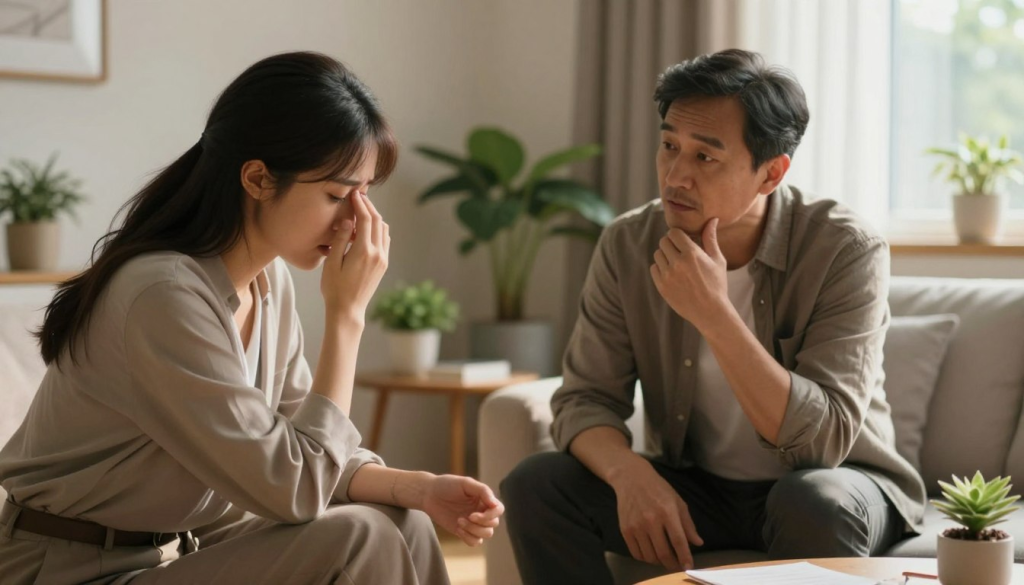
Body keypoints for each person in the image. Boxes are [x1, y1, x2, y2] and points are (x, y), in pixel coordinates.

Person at [0, 52, 503, 585]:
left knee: (404, 522)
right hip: (65, 569)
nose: (357, 221)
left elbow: (309, 448)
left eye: (364, 195)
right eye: (336, 194)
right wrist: (347, 316)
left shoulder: (269, 284)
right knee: (363, 536)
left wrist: (417, 488)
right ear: (259, 179)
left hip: (175, 549)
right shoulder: (161, 295)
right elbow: (297, 486)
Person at [501, 48, 924, 584]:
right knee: (538, 483)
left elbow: (823, 442)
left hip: (839, 481)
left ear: (771, 173)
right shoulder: (629, 243)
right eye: (669, 146)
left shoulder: (846, 248)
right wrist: (630, 475)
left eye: (705, 157)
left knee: (812, 500)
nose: (676, 175)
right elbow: (584, 401)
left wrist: (714, 313)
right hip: (700, 486)